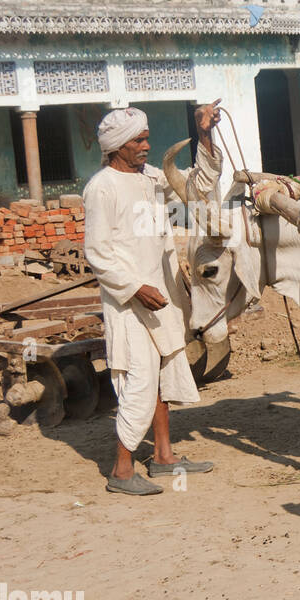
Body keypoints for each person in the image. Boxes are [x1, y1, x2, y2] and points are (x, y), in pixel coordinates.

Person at [83, 104, 219, 495]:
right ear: (116, 147)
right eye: (138, 140)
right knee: (140, 380)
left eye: (145, 138)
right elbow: (97, 252)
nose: (146, 145)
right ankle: (122, 471)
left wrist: (204, 135)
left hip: (163, 295)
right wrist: (135, 288)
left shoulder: (151, 180)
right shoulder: (102, 187)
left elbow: (198, 185)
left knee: (163, 372)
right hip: (129, 302)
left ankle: (163, 457)